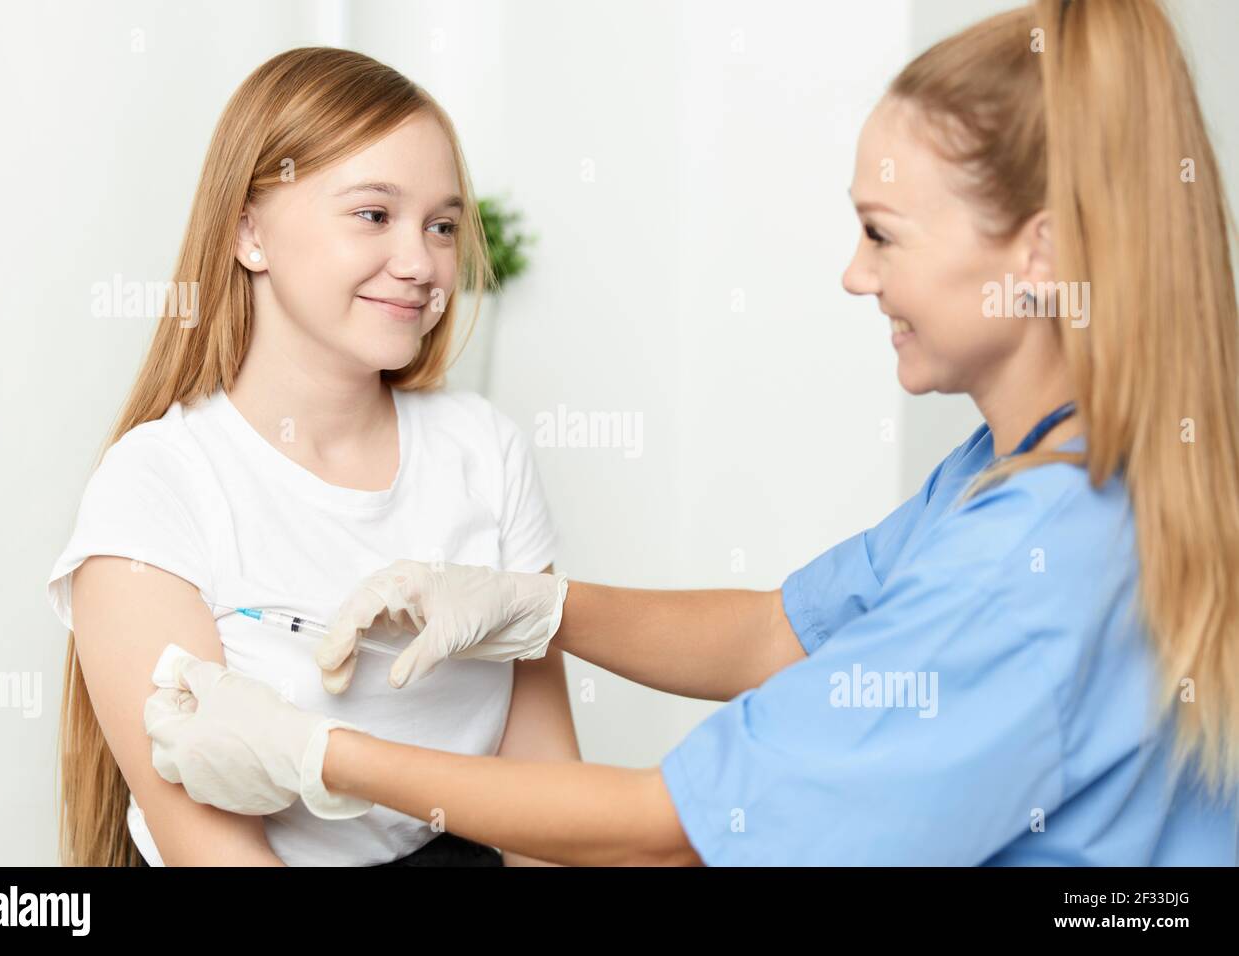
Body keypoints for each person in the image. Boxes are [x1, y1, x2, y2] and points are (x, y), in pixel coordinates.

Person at [145, 0, 1239, 865]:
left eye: (880, 233)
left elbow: (664, 829)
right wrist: (543, 607)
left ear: (1036, 256)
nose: (853, 273)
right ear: (249, 230)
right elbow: (776, 631)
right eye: (370, 215)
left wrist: (315, 753)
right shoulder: (1031, 475)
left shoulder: (1026, 564)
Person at [47, 48, 579, 867]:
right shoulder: (156, 491)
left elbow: (552, 815)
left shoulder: (487, 452)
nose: (421, 263)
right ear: (248, 232)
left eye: (441, 225)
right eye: (374, 214)